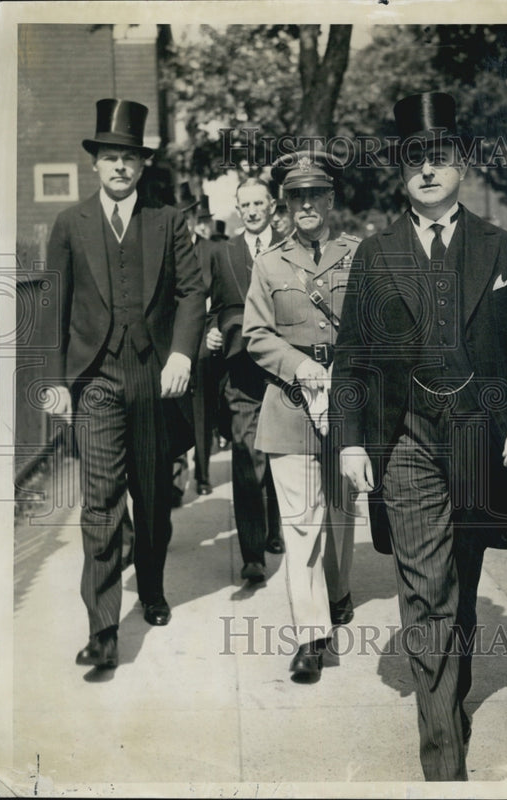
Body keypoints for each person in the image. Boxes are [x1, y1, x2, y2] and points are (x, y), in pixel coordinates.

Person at [332, 93, 507, 779]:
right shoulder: (376, 255)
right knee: (426, 595)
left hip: (480, 444)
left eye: (439, 156)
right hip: (405, 444)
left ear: (459, 162)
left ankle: (447, 705)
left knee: (458, 583)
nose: (427, 169)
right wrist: (348, 440)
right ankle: (443, 763)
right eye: (413, 159)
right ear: (400, 173)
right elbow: (354, 357)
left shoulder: (500, 248)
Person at [45, 99, 206, 669]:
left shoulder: (167, 222)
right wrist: (57, 382)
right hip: (94, 380)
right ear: (95, 163)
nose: (119, 167)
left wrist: (182, 353)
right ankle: (105, 627)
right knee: (101, 501)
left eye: (129, 158)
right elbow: (54, 306)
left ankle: (154, 586)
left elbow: (192, 292)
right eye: (110, 157)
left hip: (153, 376)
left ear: (141, 165)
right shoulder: (71, 224)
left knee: (153, 495)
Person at [243, 151, 361, 681]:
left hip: (349, 409)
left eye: (316, 194)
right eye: (296, 196)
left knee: (340, 518)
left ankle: (338, 595)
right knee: (301, 527)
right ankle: (310, 637)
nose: (306, 204)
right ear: (285, 205)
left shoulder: (359, 256)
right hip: (289, 409)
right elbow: (255, 334)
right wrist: (299, 368)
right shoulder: (269, 264)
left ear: (331, 200)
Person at [208, 178, 285, 583]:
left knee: (279, 457)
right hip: (240, 374)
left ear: (272, 206)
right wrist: (211, 332)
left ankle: (276, 527)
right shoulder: (223, 253)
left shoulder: (290, 246)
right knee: (245, 458)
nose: (253, 211)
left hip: (285, 372)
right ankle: (253, 553)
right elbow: (211, 304)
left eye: (260, 203)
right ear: (238, 209)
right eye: (246, 205)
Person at [179, 184, 228, 495]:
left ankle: (203, 473)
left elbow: (222, 298)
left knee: (201, 407)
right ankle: (176, 472)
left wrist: (215, 329)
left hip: (204, 338)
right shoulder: (166, 251)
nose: (182, 224)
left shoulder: (212, 251)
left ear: (195, 217)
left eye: (187, 217)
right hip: (175, 337)